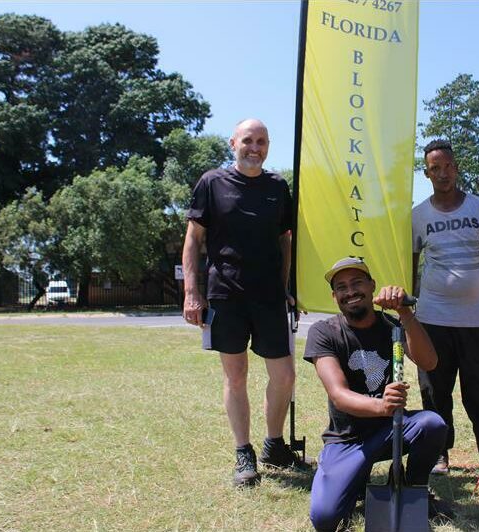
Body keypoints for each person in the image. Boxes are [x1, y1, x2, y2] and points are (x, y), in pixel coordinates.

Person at [182, 118, 301, 487]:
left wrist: (288, 286)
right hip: (226, 295)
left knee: (284, 376)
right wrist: (191, 291)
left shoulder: (277, 186)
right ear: (233, 143)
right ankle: (243, 453)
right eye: (248, 140)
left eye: (262, 141)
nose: (255, 147)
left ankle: (274, 444)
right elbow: (192, 240)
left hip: (268, 296)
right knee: (236, 376)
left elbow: (287, 240)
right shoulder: (212, 182)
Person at [304, 257, 448, 532]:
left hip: (391, 430)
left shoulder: (393, 325)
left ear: (372, 286)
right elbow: (339, 395)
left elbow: (429, 362)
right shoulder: (324, 332)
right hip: (348, 440)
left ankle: (413, 488)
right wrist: (382, 405)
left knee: (433, 424)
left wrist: (406, 313)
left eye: (357, 282)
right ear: (334, 296)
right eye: (342, 287)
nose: (351, 291)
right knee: (325, 519)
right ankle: (349, 474)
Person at [412, 139, 479, 475]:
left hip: (476, 318)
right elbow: (410, 263)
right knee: (435, 390)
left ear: (456, 167)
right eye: (435, 168)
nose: (442, 173)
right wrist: (408, 311)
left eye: (447, 166)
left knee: (478, 390)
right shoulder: (418, 215)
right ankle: (439, 453)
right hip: (431, 318)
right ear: (427, 173)